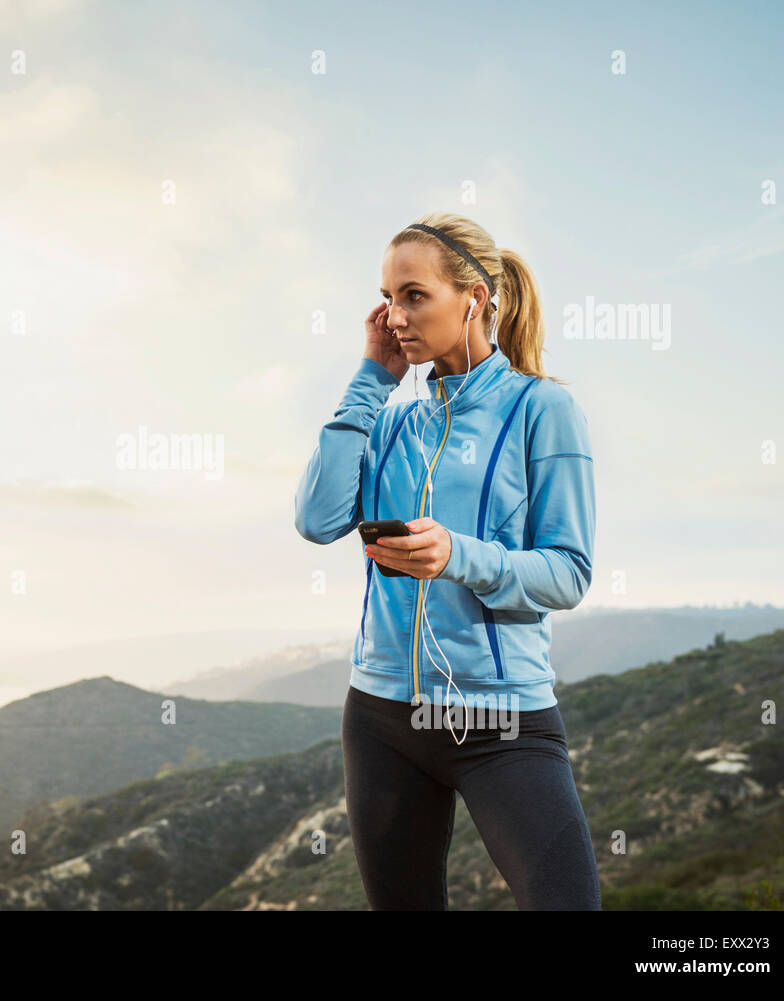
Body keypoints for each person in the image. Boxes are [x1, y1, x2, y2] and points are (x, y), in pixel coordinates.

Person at [293, 212, 602, 910]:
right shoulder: (397, 418)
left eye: (413, 294)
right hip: (380, 720)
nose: (394, 315)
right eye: (386, 297)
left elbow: (568, 571)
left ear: (475, 298)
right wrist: (373, 379)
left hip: (503, 722)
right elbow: (316, 519)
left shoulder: (543, 409)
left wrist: (458, 555)